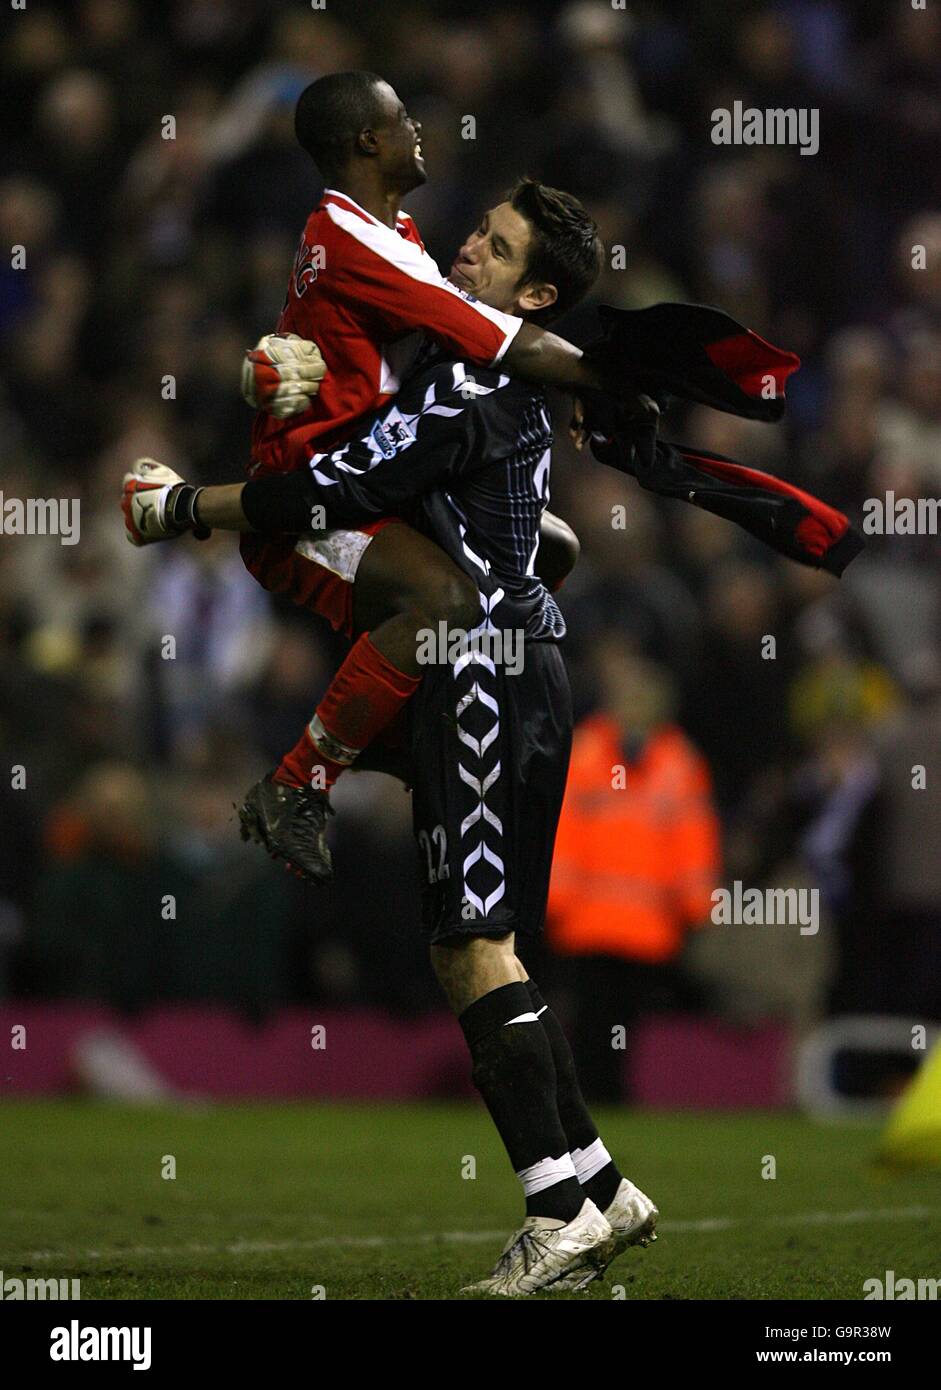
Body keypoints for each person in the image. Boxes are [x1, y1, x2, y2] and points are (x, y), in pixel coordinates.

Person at [122, 179, 659, 1297]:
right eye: (477, 230)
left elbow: (324, 492)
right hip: (526, 673)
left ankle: (554, 1210)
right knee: (485, 944)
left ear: (536, 291)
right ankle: (598, 1183)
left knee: (470, 946)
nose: (467, 249)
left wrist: (183, 507)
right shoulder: (485, 374)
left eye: (496, 248)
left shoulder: (472, 375)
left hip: (483, 679)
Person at [125, 72, 633, 886]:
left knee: (549, 546)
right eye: (402, 119)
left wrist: (271, 364)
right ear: (369, 141)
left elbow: (393, 335)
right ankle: (296, 784)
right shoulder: (358, 238)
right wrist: (603, 380)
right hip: (314, 501)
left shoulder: (386, 232)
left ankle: (393, 730)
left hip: (373, 484)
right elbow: (494, 338)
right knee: (446, 600)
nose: (418, 129)